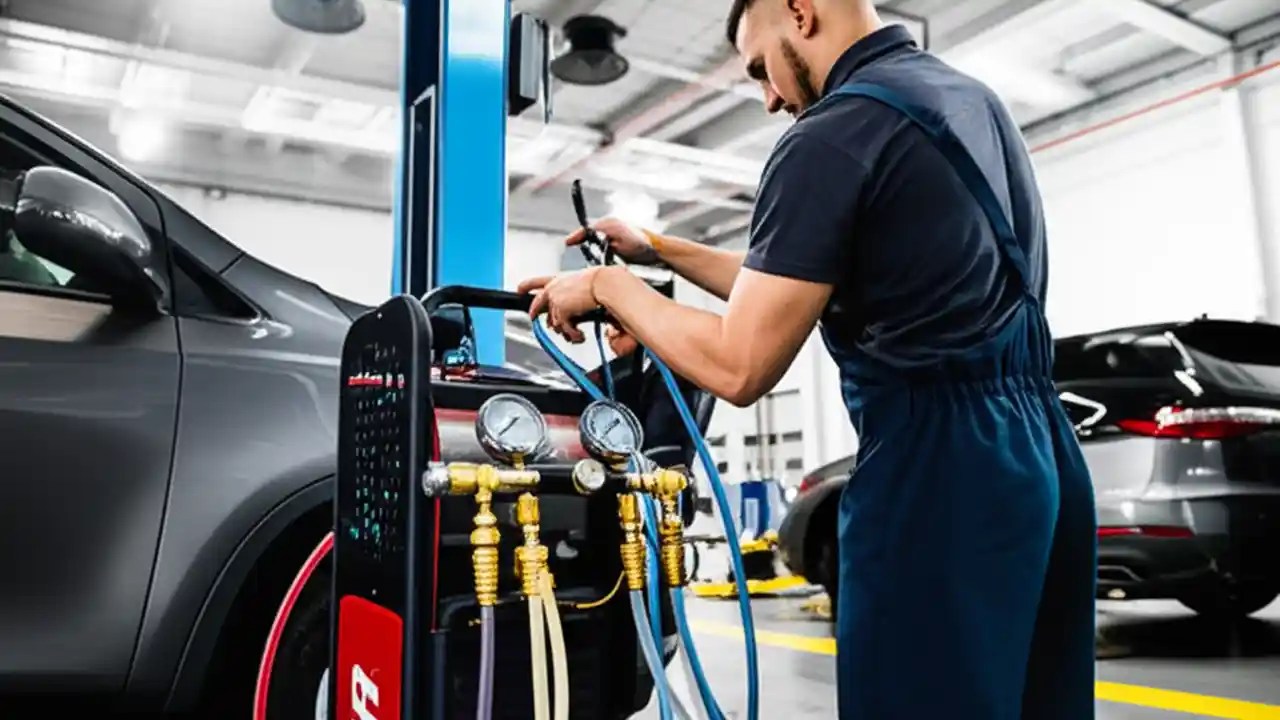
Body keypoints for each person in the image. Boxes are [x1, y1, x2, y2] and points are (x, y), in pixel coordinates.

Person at [517, 0, 1097, 717]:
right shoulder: (966, 99)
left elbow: (741, 363)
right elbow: (795, 281)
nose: (766, 98)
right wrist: (659, 249)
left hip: (937, 474)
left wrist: (608, 284)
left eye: (760, 67)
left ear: (799, 9)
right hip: (1042, 456)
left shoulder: (833, 133)